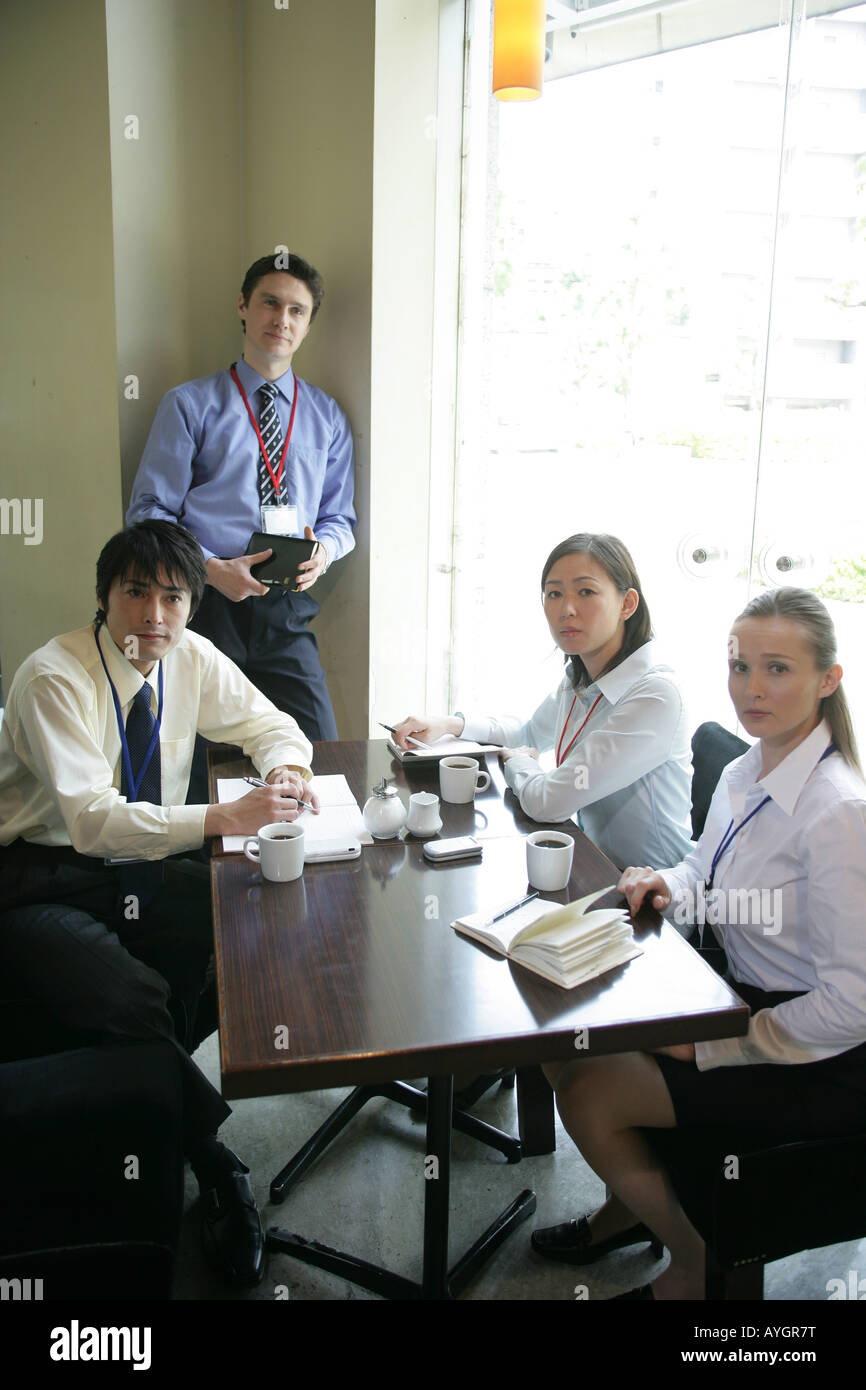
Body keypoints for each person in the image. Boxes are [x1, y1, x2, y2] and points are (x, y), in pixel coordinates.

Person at [0, 520, 320, 1288]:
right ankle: (215, 1164)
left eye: (173, 597)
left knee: (252, 920)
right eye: (136, 592)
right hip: (42, 874)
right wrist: (221, 818)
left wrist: (288, 773)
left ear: (192, 604)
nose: (154, 615)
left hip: (139, 868)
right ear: (105, 595)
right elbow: (92, 819)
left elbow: (273, 723)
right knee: (137, 996)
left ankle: (148, 1095)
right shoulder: (56, 676)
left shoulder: (192, 659)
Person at [531, 587, 866, 1300]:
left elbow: (853, 1005)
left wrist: (714, 1044)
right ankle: (634, 1209)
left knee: (591, 1089)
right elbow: (703, 866)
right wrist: (667, 883)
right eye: (740, 666)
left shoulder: (838, 812)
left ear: (828, 680)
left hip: (819, 1054)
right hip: (731, 994)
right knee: (562, 1034)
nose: (752, 688)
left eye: (777, 669)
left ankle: (693, 1266)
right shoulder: (750, 768)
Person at [126, 251, 356, 744]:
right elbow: (148, 514)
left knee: (319, 749)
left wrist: (325, 554)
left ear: (309, 323)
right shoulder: (189, 404)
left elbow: (340, 518)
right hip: (204, 603)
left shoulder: (327, 417)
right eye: (270, 303)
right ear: (243, 307)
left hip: (287, 609)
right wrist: (210, 568)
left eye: (297, 310)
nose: (282, 319)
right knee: (198, 757)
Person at [394, 532, 693, 871]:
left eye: (586, 591)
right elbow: (530, 733)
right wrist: (450, 724)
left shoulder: (655, 695)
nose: (566, 609)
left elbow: (548, 803)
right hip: (593, 867)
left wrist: (519, 763)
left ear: (627, 604)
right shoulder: (581, 673)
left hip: (653, 901)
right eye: (554, 593)